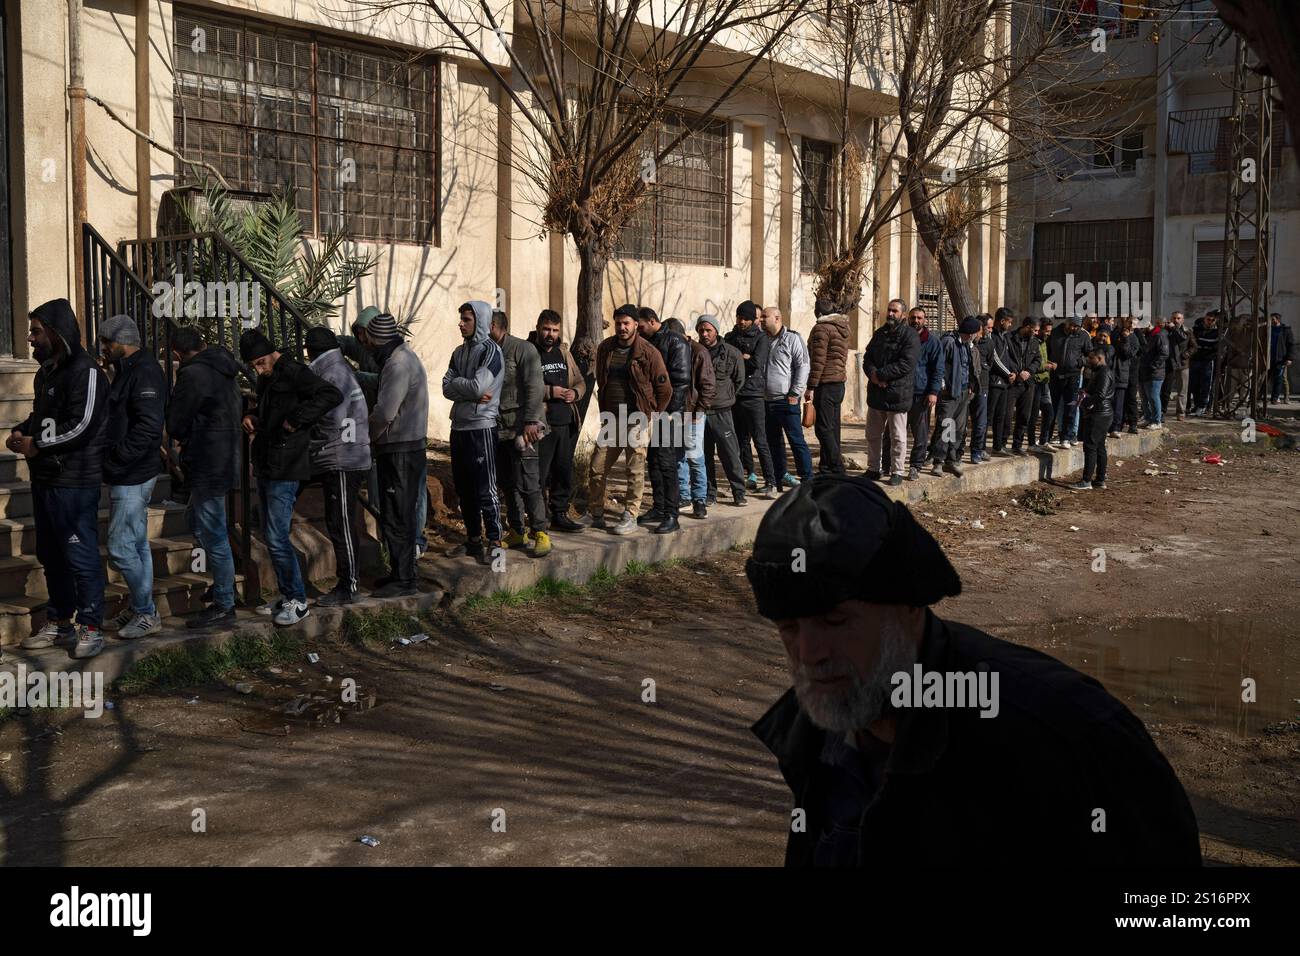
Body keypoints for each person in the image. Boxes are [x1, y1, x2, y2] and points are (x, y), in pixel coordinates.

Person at [745, 474, 1202, 867]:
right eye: (788, 628)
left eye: (835, 621)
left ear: (908, 606)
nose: (809, 653)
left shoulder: (1067, 741)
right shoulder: (820, 728)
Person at [9, 299, 109, 658]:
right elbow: (42, 417)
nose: (31, 339)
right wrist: (21, 432)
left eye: (36, 331)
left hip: (75, 483)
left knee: (80, 556)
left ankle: (92, 625)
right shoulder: (45, 373)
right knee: (51, 555)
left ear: (56, 331)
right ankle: (60, 622)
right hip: (46, 480)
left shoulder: (87, 372)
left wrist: (38, 443)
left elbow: (82, 426)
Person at [240, 329, 342, 626]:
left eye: (261, 362)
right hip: (268, 461)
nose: (259, 369)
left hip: (287, 465)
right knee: (274, 535)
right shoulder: (267, 377)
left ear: (271, 352)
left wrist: (297, 420)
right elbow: (271, 411)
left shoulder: (296, 371)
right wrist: (253, 416)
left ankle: (297, 600)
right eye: (254, 366)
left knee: (275, 535)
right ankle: (288, 595)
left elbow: (330, 395)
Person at [94, 315, 167, 640]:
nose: (103, 349)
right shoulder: (127, 370)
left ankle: (147, 611)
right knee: (137, 544)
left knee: (120, 547)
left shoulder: (144, 372)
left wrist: (116, 457)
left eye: (106, 344)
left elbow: (148, 428)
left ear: (121, 342)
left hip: (133, 474)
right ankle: (141, 609)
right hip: (129, 472)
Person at [166, 328, 242, 629]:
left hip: (207, 461)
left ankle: (225, 602)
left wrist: (182, 439)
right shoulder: (226, 371)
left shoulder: (193, 375)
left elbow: (176, 421)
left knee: (212, 532)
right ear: (204, 344)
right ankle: (224, 586)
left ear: (176, 354)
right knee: (199, 523)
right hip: (224, 459)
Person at [588, 305, 671, 534]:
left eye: (626, 323)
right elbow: (601, 380)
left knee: (634, 471)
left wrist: (651, 414)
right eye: (618, 323)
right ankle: (595, 513)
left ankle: (630, 514)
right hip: (612, 420)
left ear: (636, 324)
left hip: (637, 420)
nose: (622, 328)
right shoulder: (606, 348)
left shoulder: (648, 352)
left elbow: (665, 389)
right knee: (597, 467)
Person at [305, 326, 371, 606]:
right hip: (343, 455)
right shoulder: (338, 368)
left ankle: (349, 585)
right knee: (339, 521)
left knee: (341, 523)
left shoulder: (332, 373)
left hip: (343, 457)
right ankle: (348, 582)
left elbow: (334, 418)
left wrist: (309, 439)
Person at [443, 301, 505, 565]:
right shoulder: (458, 352)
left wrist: (465, 390)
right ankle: (473, 540)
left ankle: (495, 542)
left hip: (482, 429)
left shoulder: (491, 352)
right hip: (459, 428)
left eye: (467, 319)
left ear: (479, 322)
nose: (461, 324)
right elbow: (446, 388)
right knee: (464, 488)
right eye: (461, 319)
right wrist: (466, 391)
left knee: (485, 488)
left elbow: (480, 387)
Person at [490, 310, 551, 558]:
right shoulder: (488, 351)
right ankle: (517, 530)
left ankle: (541, 533)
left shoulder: (523, 349)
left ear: (493, 326)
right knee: (507, 483)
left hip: (524, 429)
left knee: (529, 482)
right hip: (499, 429)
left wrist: (531, 422)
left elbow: (534, 387)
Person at [635, 307, 692, 533]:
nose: (638, 331)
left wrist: (667, 411)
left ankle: (672, 514)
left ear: (651, 321)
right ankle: (659, 507)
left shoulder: (675, 341)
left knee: (667, 463)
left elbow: (681, 380)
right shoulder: (648, 342)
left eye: (640, 326)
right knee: (655, 462)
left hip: (670, 413)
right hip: (652, 413)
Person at [533, 309, 586, 532]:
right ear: (538, 328)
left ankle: (560, 514)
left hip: (565, 423)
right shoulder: (529, 352)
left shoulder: (563, 353)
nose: (550, 334)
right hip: (541, 424)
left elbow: (581, 382)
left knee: (563, 471)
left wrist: (575, 393)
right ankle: (538, 517)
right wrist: (550, 392)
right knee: (539, 474)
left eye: (555, 330)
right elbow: (521, 387)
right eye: (546, 329)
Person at [862, 298, 920, 487]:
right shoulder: (879, 334)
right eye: (889, 310)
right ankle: (873, 468)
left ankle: (897, 471)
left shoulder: (910, 336)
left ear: (903, 314)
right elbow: (867, 357)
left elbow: (906, 364)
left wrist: (882, 375)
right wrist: (873, 375)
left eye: (894, 311)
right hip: (876, 394)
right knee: (872, 434)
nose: (890, 314)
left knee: (897, 437)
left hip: (897, 394)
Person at [695, 314, 749, 507]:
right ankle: (710, 492)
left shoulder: (732, 353)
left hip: (722, 412)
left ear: (716, 331)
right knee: (704, 455)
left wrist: (726, 396)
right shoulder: (695, 352)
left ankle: (739, 491)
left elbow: (738, 380)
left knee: (730, 453)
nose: (704, 333)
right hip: (700, 412)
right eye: (701, 330)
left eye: (708, 330)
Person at [665, 317, 716, 519]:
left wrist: (698, 412)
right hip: (674, 414)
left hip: (693, 414)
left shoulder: (698, 352)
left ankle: (699, 500)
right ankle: (684, 497)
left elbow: (708, 386)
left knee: (695, 457)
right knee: (678, 457)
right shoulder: (669, 350)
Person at [725, 300, 777, 495]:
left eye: (746, 318)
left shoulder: (761, 338)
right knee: (740, 440)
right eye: (739, 317)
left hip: (754, 394)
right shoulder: (731, 336)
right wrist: (742, 357)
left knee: (760, 439)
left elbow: (756, 362)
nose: (742, 321)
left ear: (753, 320)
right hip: (735, 394)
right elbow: (727, 361)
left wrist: (741, 358)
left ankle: (770, 481)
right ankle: (748, 475)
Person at [761, 306, 812, 492]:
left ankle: (807, 479)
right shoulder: (763, 340)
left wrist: (795, 392)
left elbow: (803, 365)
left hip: (786, 400)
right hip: (767, 401)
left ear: (777, 318)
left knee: (796, 441)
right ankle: (778, 479)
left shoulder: (792, 338)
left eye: (764, 317)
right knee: (773, 442)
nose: (761, 320)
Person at [927, 316, 979, 476]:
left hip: (963, 393)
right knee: (946, 426)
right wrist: (941, 386)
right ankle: (938, 462)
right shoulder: (949, 342)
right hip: (949, 393)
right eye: (975, 332)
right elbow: (938, 365)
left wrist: (970, 385)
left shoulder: (966, 345)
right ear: (970, 333)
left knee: (958, 428)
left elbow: (968, 367)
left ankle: (951, 459)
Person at [804, 297, 849, 474]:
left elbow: (818, 360)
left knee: (823, 428)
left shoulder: (821, 328)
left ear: (818, 312)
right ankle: (826, 466)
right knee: (833, 427)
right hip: (838, 382)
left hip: (826, 383)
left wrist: (811, 386)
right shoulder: (842, 327)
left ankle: (837, 466)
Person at [897, 307, 942, 480]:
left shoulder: (932, 342)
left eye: (919, 318)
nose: (916, 320)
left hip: (921, 394)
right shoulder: (901, 337)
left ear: (925, 320)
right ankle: (888, 465)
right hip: (901, 392)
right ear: (908, 319)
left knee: (920, 433)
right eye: (913, 317)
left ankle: (915, 466)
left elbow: (937, 369)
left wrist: (933, 391)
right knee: (894, 432)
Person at [1070, 348, 1115, 491]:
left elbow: (1101, 394)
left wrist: (1086, 403)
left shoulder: (1104, 372)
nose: (1089, 361)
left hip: (1099, 414)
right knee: (1099, 446)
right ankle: (1099, 479)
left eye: (1091, 358)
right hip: (1102, 413)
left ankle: (1086, 480)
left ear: (1099, 358)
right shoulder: (1100, 372)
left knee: (1091, 447)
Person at [1045, 314, 1092, 448]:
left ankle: (1066, 436)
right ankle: (1046, 436)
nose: (1074, 328)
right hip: (1055, 375)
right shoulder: (1055, 333)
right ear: (1067, 323)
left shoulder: (1083, 336)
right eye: (1072, 325)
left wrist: (1080, 362)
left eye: (1077, 326)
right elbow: (1047, 351)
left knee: (1070, 407)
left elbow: (1090, 354)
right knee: (1051, 406)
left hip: (1073, 376)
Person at [1004, 317, 1042, 455]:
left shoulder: (1034, 342)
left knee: (1024, 416)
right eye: (1035, 330)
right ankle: (1002, 443)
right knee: (1007, 416)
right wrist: (1017, 372)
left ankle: (1017, 445)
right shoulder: (1009, 338)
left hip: (1027, 383)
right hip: (1012, 383)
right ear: (1027, 327)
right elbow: (1006, 358)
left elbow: (1038, 360)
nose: (1037, 333)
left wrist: (1029, 371)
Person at [984, 308, 1016, 456]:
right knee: (988, 416)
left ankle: (998, 446)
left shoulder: (1005, 337)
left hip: (1005, 382)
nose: (1010, 325)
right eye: (1008, 322)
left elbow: (1009, 358)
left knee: (1001, 416)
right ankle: (981, 446)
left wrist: (1014, 372)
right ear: (1002, 321)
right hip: (994, 381)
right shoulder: (992, 336)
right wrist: (1008, 373)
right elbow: (995, 359)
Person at [967, 314, 994, 463]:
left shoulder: (989, 344)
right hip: (966, 388)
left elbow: (989, 363)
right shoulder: (965, 343)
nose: (990, 330)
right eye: (988, 327)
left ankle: (977, 451)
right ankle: (952, 453)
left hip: (982, 387)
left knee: (981, 422)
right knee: (960, 423)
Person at [1110, 315, 1141, 437]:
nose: (1123, 322)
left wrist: (1126, 338)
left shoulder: (1133, 338)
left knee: (1129, 399)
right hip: (1116, 372)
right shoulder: (1115, 334)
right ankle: (1116, 425)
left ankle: (1130, 424)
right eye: (1120, 319)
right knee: (1116, 401)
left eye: (1125, 320)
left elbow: (1128, 353)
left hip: (1129, 372)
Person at [1139, 315, 1169, 429]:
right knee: (1144, 397)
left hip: (1155, 372)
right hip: (1144, 371)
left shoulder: (1159, 335)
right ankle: (1148, 418)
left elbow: (1164, 353)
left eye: (1142, 327)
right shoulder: (1148, 335)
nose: (1141, 330)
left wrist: (1153, 366)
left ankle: (1157, 421)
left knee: (1153, 396)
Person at [1189, 310, 1220, 415]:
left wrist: (1205, 347)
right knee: (1194, 384)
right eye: (1208, 319)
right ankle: (1197, 405)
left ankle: (1204, 406)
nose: (1210, 321)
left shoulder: (1217, 332)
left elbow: (1215, 347)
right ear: (1204, 319)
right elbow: (1194, 343)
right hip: (1196, 360)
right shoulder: (1197, 330)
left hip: (1208, 361)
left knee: (1207, 385)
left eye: (1212, 320)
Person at [1164, 312, 1191, 420]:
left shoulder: (1187, 331)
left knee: (1182, 390)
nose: (1176, 320)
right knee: (1166, 389)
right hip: (1169, 363)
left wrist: (1186, 355)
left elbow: (1193, 345)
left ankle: (1181, 412)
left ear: (1182, 320)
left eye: (1178, 318)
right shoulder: (1167, 331)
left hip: (1183, 364)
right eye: (1174, 318)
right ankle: (1162, 411)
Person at [1269, 312, 1295, 404]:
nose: (1271, 321)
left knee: (1281, 379)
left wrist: (1290, 358)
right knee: (1271, 378)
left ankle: (1279, 398)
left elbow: (1291, 345)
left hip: (1280, 358)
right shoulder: (1269, 329)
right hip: (1269, 358)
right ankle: (1275, 397)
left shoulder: (1285, 330)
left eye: (1273, 319)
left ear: (1278, 319)